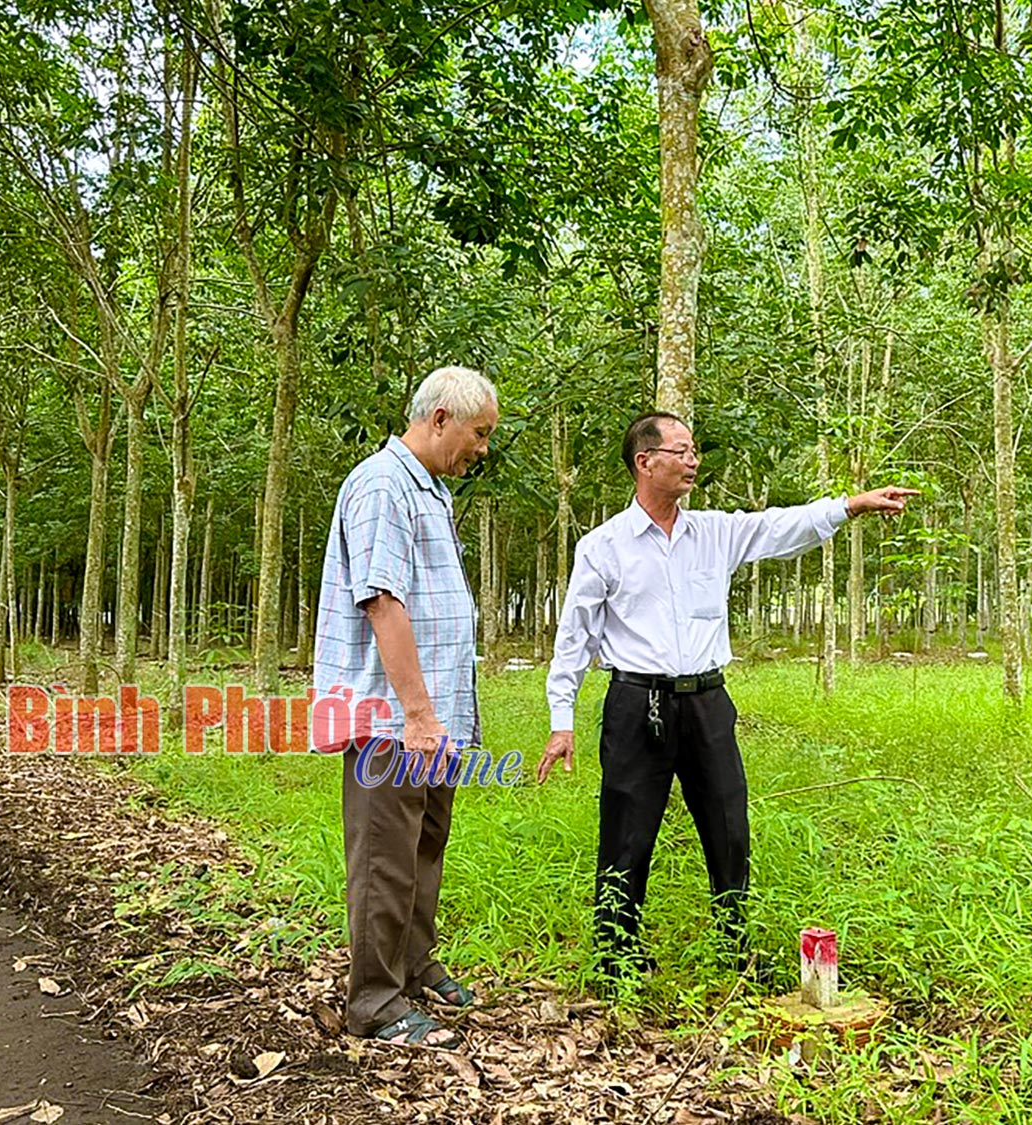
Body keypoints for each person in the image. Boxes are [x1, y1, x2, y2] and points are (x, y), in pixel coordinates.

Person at [538, 411, 916, 978]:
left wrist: (851, 504)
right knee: (627, 829)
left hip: (708, 704)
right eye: (681, 451)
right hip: (637, 705)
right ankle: (616, 955)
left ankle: (735, 946)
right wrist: (560, 720)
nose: (693, 462)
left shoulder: (713, 532)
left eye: (694, 451)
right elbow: (575, 638)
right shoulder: (604, 547)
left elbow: (779, 527)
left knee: (727, 826)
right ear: (646, 462)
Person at [312, 365, 498, 1047]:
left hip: (430, 718)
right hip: (392, 720)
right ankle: (374, 1001)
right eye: (478, 433)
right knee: (386, 858)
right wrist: (416, 713)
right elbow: (382, 598)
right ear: (442, 417)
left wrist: (437, 715)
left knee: (422, 849)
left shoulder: (430, 490)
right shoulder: (383, 484)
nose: (482, 448)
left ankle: (413, 965)